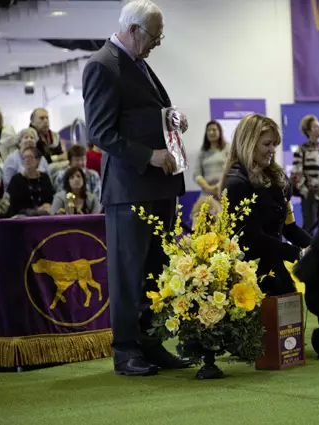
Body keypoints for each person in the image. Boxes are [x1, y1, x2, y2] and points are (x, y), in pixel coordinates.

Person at [82, 0, 190, 376]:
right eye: (155, 37)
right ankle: (125, 350)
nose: (158, 43)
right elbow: (100, 132)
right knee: (129, 275)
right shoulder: (103, 65)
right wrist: (149, 156)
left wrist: (171, 117)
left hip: (157, 189)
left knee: (156, 272)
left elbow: (142, 115)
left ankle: (150, 342)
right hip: (130, 189)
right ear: (133, 31)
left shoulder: (138, 63)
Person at [221, 113, 311, 296]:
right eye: (267, 144)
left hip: (275, 267)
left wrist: (318, 247)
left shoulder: (276, 178)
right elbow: (253, 239)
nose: (272, 150)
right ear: (249, 143)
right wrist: (297, 254)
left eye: (274, 145)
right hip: (250, 277)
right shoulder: (237, 183)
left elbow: (289, 227)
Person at [290, 115, 319, 232]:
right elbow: (296, 173)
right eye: (316, 126)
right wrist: (306, 191)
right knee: (309, 228)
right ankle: (307, 250)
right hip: (311, 196)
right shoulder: (301, 149)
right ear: (308, 131)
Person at [7, 147, 54, 217]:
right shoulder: (16, 179)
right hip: (22, 217)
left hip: (44, 215)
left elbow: (51, 198)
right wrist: (37, 210)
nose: (27, 160)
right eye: (24, 157)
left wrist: (48, 205)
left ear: (38, 160)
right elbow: (14, 206)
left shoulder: (44, 178)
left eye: (30, 157)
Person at [194, 120, 229, 198]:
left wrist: (218, 186)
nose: (211, 132)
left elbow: (231, 170)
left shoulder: (228, 148)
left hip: (224, 192)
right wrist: (208, 188)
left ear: (220, 132)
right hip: (206, 194)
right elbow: (197, 174)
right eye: (208, 130)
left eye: (214, 130)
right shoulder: (202, 152)